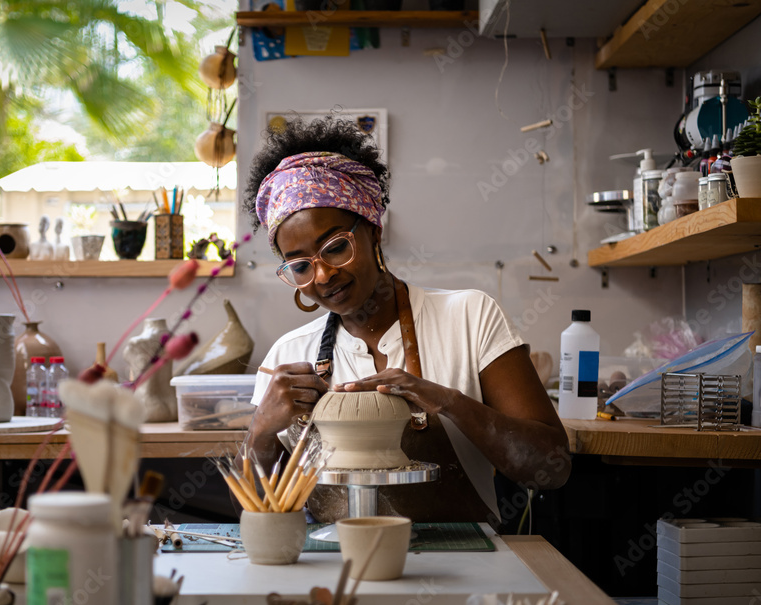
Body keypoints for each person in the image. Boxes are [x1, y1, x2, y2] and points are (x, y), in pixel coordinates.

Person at [242, 116, 571, 526]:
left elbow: (552, 469)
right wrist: (261, 430)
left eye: (336, 247)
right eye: (300, 266)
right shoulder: (288, 356)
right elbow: (260, 507)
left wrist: (448, 401)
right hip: (337, 571)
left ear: (374, 233)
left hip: (459, 567)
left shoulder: (470, 316)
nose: (323, 275)